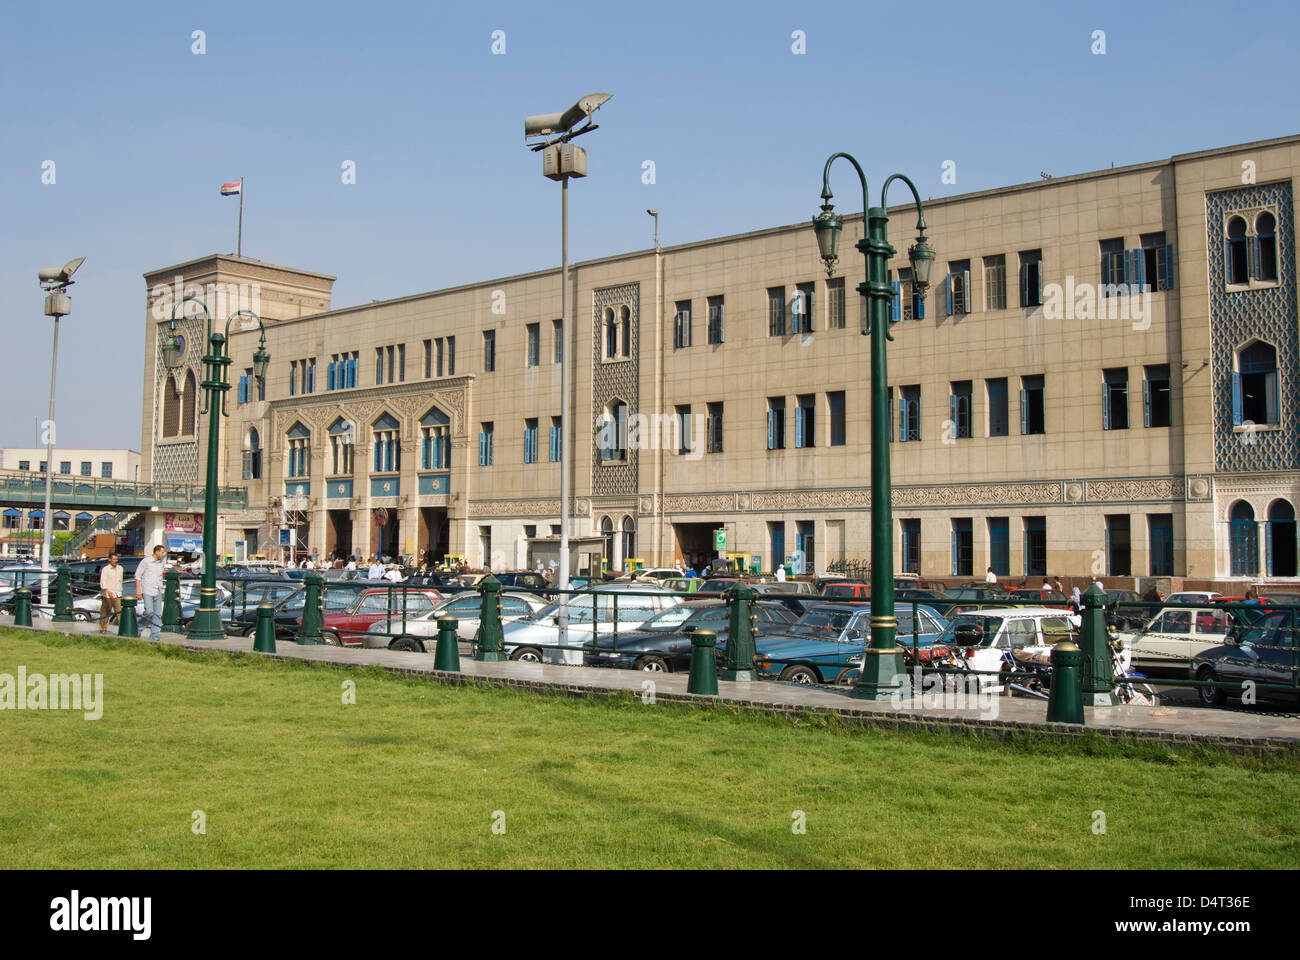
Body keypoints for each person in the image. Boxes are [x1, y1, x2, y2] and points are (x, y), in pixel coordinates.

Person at [137, 544, 168, 643]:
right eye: (162, 552)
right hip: (147, 589)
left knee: (157, 614)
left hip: (157, 589)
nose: (163, 554)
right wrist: (138, 590)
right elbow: (138, 576)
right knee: (149, 612)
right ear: (157, 552)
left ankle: (154, 636)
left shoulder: (161, 563)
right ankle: (138, 627)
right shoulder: (146, 561)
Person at [98, 553, 123, 635]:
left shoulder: (120, 568)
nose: (115, 561)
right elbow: (103, 582)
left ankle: (123, 629)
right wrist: (108, 591)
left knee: (120, 611)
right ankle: (102, 629)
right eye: (114, 559)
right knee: (105, 612)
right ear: (109, 560)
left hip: (117, 594)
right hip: (107, 594)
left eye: (116, 559)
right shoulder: (106, 569)